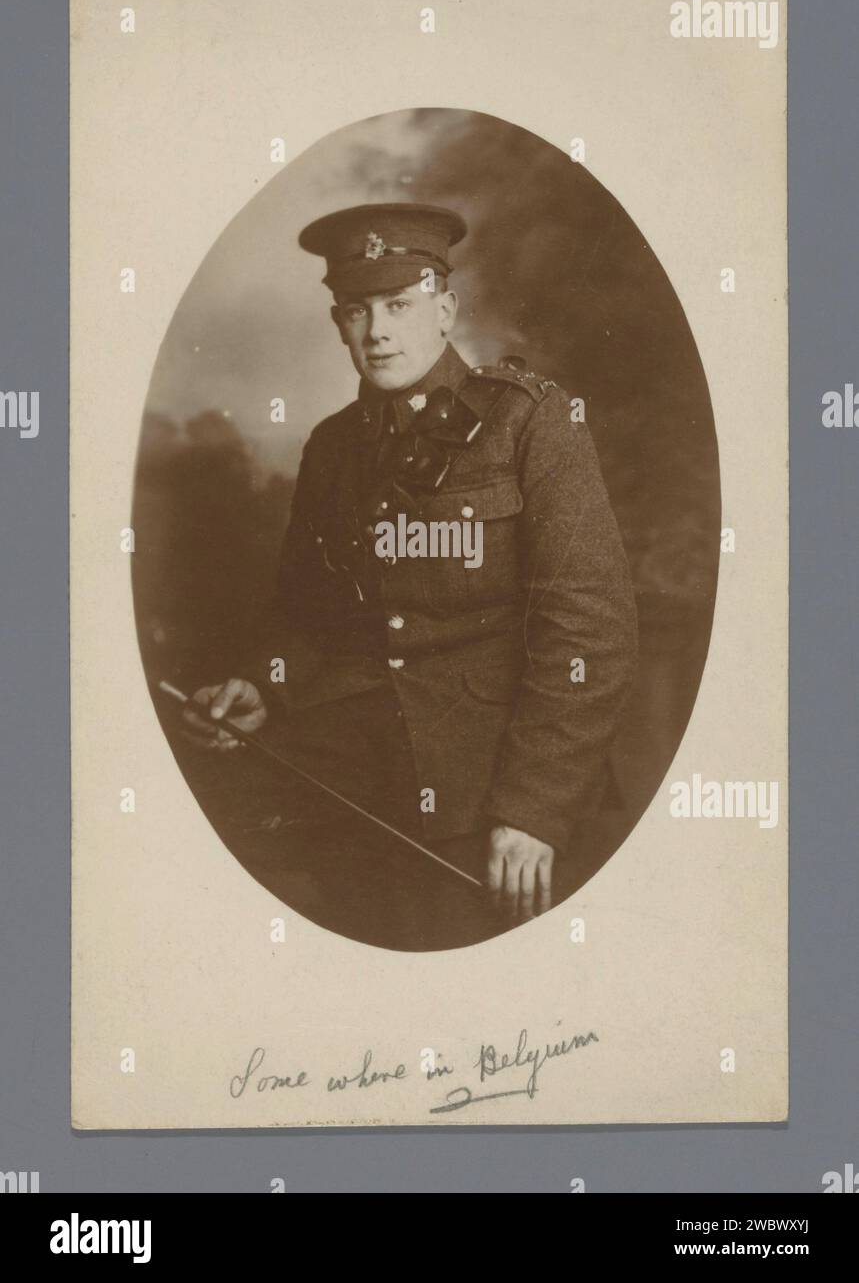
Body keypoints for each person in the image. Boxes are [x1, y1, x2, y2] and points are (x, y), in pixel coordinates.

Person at [182, 202, 638, 950]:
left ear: (445, 309)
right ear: (338, 323)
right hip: (352, 766)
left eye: (399, 304)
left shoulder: (530, 421)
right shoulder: (333, 448)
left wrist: (533, 809)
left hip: (488, 779)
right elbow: (306, 613)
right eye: (357, 310)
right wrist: (263, 686)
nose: (377, 331)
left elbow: (590, 631)